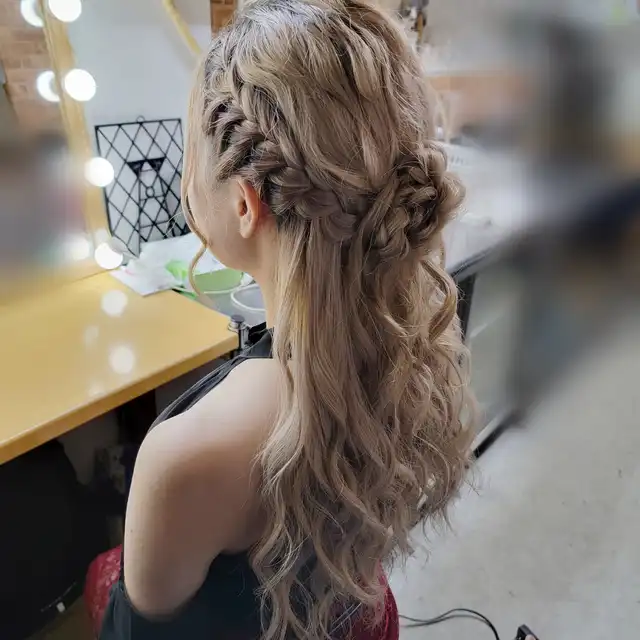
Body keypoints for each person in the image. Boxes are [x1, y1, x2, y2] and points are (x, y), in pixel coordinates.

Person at [85, 0, 473, 638]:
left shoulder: (188, 457)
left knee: (102, 572)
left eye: (192, 152)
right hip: (359, 614)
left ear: (244, 204)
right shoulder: (415, 348)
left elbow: (139, 628)